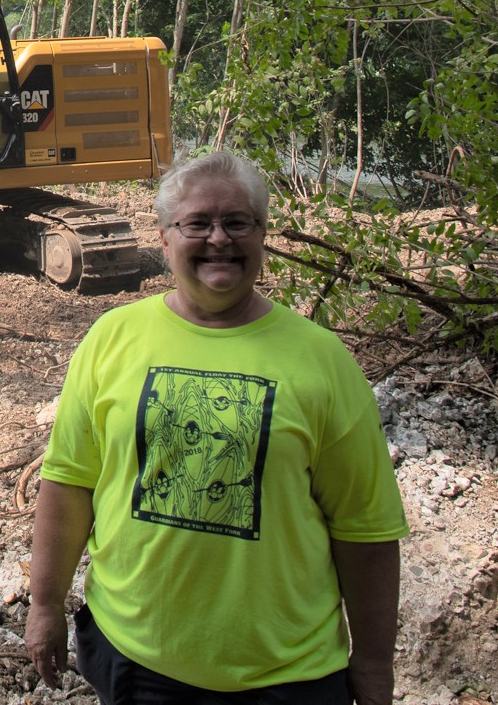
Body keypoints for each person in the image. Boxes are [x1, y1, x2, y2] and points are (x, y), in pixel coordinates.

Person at [26, 149, 408, 704]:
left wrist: (373, 663)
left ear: (262, 236)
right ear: (164, 238)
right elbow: (68, 484)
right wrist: (43, 606)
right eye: (197, 223)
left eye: (237, 222)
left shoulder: (322, 362)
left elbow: (366, 528)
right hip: (135, 658)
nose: (219, 239)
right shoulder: (112, 339)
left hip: (284, 676)